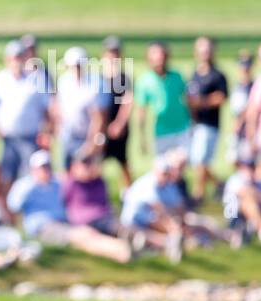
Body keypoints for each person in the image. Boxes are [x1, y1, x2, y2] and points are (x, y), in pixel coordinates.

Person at [8, 151, 131, 263]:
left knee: (85, 235)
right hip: (43, 226)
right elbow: (13, 205)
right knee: (82, 234)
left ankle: (118, 250)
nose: (45, 170)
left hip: (63, 222)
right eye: (41, 168)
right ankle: (118, 248)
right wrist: (32, 184)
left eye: (47, 167)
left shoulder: (56, 183)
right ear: (33, 170)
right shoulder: (26, 185)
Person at [0, 39, 52, 183]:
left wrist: (47, 132)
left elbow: (46, 109)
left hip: (30, 137)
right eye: (13, 58)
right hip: (9, 138)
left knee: (28, 177)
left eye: (19, 57)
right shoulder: (0, 79)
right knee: (7, 177)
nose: (16, 61)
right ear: (7, 60)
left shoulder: (37, 78)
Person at [185, 36, 228, 204]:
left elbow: (221, 97)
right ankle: (220, 184)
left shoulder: (217, 75)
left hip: (210, 123)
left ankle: (198, 194)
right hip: (196, 123)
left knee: (200, 159)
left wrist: (202, 102)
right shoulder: (195, 74)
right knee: (196, 160)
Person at [120, 155, 186, 261]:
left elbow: (177, 205)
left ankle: (171, 243)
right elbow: (158, 208)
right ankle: (170, 244)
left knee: (167, 226)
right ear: (156, 171)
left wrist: (178, 221)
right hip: (132, 221)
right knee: (149, 233)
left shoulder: (165, 184)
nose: (165, 177)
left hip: (146, 219)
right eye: (163, 173)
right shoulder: (148, 183)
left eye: (167, 174)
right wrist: (173, 225)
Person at [135, 41, 190, 160]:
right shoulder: (144, 81)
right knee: (163, 169)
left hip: (181, 128)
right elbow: (141, 111)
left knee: (180, 164)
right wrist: (142, 138)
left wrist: (193, 123)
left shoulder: (176, 76)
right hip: (161, 131)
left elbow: (188, 101)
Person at [55, 46, 105, 168]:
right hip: (67, 136)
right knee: (66, 173)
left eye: (79, 65)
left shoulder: (94, 84)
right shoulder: (63, 82)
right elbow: (58, 109)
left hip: (86, 137)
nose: (76, 69)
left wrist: (92, 142)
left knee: (86, 174)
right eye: (73, 65)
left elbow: (98, 117)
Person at [98, 35, 134, 187]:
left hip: (119, 127)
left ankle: (128, 191)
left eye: (115, 53)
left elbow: (128, 102)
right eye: (110, 53)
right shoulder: (99, 78)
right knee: (98, 162)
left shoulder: (124, 78)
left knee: (123, 161)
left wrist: (119, 123)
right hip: (102, 126)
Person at [61, 152, 120, 235]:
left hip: (103, 216)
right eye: (84, 165)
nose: (87, 168)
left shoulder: (99, 182)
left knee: (115, 222)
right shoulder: (71, 183)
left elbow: (105, 203)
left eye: (88, 164)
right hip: (85, 220)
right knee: (111, 226)